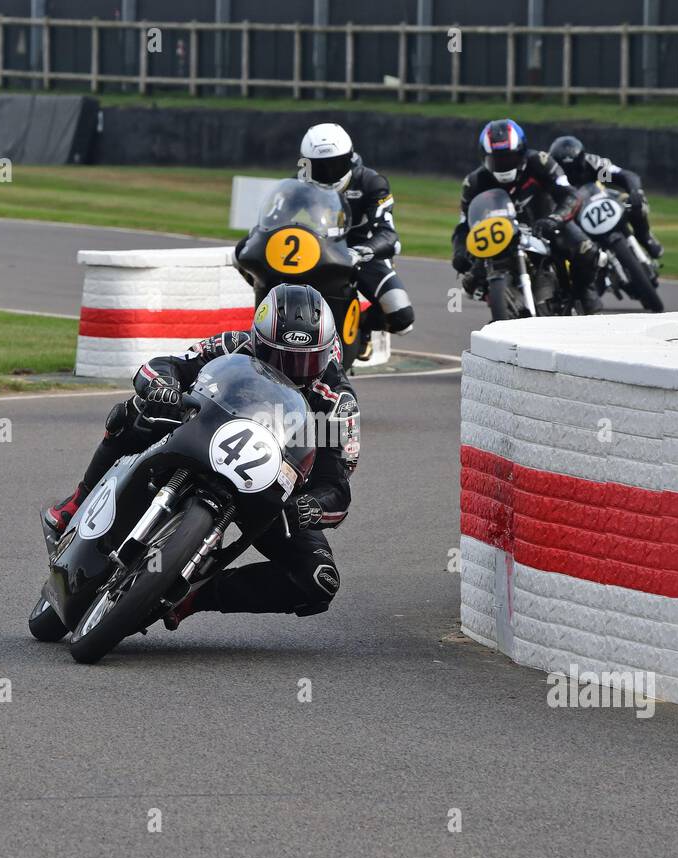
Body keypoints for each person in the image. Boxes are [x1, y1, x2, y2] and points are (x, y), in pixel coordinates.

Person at [43, 283, 360, 625]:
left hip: (271, 492)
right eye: (280, 356)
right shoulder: (233, 346)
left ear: (329, 352)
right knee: (137, 411)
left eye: (307, 359)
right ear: (257, 341)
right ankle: (77, 501)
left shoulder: (334, 403)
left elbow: (335, 487)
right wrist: (162, 388)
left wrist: (310, 507)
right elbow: (166, 365)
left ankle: (194, 596)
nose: (294, 370)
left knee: (319, 579)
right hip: (201, 435)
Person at [450, 119, 603, 314]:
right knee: (471, 280)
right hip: (502, 237)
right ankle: (504, 311)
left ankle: (584, 292)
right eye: (496, 160)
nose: (503, 165)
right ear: (484, 158)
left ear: (521, 152)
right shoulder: (474, 182)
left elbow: (570, 195)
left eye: (509, 158)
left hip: (547, 223)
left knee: (586, 251)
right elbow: (464, 224)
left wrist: (555, 218)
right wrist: (460, 251)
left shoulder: (541, 161)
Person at [298, 122, 414, 356]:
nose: (329, 174)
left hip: (362, 254)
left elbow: (389, 234)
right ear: (307, 165)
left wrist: (361, 252)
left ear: (349, 159)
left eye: (336, 165)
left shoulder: (372, 182)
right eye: (321, 167)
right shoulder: (298, 184)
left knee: (402, 318)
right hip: (317, 252)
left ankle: (360, 323)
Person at [548, 135, 664, 259]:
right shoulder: (552, 179)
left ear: (581, 159)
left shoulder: (592, 166)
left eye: (575, 167)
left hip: (605, 199)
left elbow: (622, 176)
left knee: (635, 203)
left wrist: (635, 191)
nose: (571, 172)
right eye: (566, 169)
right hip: (577, 214)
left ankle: (645, 237)